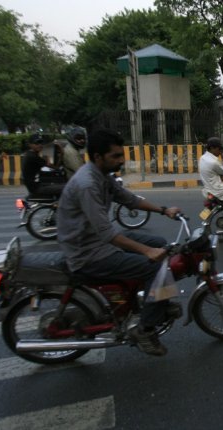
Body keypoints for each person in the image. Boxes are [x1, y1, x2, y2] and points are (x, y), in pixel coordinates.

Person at [57, 129, 182, 356]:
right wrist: (146, 251)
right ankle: (145, 329)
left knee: (160, 243)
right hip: (88, 252)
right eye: (115, 156)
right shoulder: (87, 184)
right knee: (153, 265)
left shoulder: (102, 176)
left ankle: (155, 302)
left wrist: (164, 210)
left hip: (97, 242)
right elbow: (106, 233)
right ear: (97, 157)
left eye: (121, 155)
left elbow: (130, 199)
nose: (121, 160)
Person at [21, 133, 66, 197]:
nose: (40, 145)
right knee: (66, 187)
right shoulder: (32, 156)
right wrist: (61, 154)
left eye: (41, 143)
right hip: (37, 188)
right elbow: (54, 167)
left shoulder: (30, 154)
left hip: (38, 185)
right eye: (37, 143)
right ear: (30, 145)